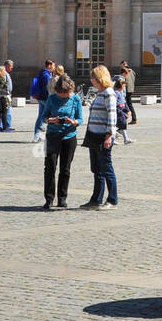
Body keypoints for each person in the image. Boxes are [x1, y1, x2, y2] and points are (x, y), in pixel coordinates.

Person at [41, 74, 82, 210]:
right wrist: (52, 120)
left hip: (69, 136)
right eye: (61, 93)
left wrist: (73, 122)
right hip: (53, 135)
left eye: (66, 93)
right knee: (50, 167)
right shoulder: (52, 98)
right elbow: (44, 117)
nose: (64, 95)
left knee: (65, 169)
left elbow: (80, 119)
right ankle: (49, 199)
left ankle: (62, 198)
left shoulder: (75, 99)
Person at [80, 66, 118, 209]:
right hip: (93, 136)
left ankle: (112, 199)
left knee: (106, 168)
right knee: (96, 169)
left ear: (100, 78)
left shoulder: (108, 93)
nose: (91, 80)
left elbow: (112, 116)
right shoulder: (100, 93)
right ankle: (96, 199)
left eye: (93, 78)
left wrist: (109, 136)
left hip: (103, 137)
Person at [30, 59, 54, 142]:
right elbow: (46, 88)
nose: (54, 67)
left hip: (41, 98)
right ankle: (40, 135)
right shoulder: (46, 74)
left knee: (41, 116)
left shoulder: (43, 73)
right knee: (46, 117)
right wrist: (49, 98)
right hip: (45, 98)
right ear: (50, 65)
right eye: (53, 65)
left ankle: (37, 135)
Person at [111, 75, 135, 143]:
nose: (124, 88)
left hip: (121, 109)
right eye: (123, 86)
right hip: (118, 111)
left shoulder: (120, 92)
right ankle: (112, 138)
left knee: (122, 124)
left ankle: (125, 138)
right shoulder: (115, 92)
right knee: (116, 125)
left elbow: (124, 101)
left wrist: (127, 110)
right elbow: (114, 104)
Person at [1, 60, 16, 131]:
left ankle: (4, 125)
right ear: (6, 66)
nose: (12, 68)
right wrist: (7, 92)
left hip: (7, 94)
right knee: (7, 111)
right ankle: (6, 125)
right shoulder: (4, 74)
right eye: (11, 66)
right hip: (5, 95)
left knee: (6, 111)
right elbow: (3, 84)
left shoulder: (6, 73)